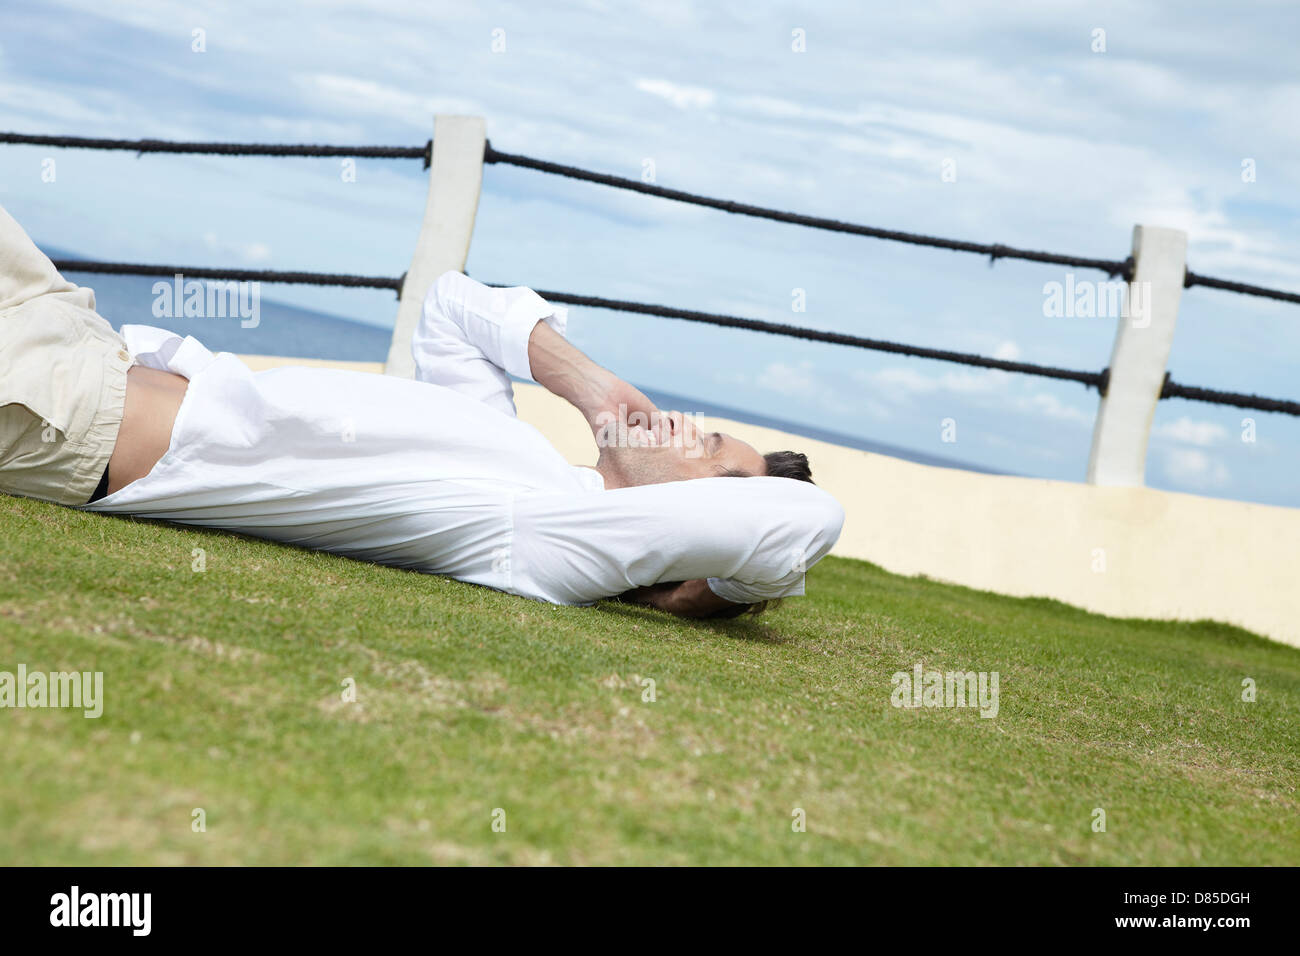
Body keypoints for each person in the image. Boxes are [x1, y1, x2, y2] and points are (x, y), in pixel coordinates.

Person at [0, 203, 844, 617]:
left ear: (692, 532)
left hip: (59, 414)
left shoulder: (545, 545)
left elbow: (804, 519)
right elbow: (450, 308)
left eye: (716, 458)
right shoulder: (526, 464)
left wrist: (699, 598)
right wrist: (594, 390)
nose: (695, 431)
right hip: (79, 334)